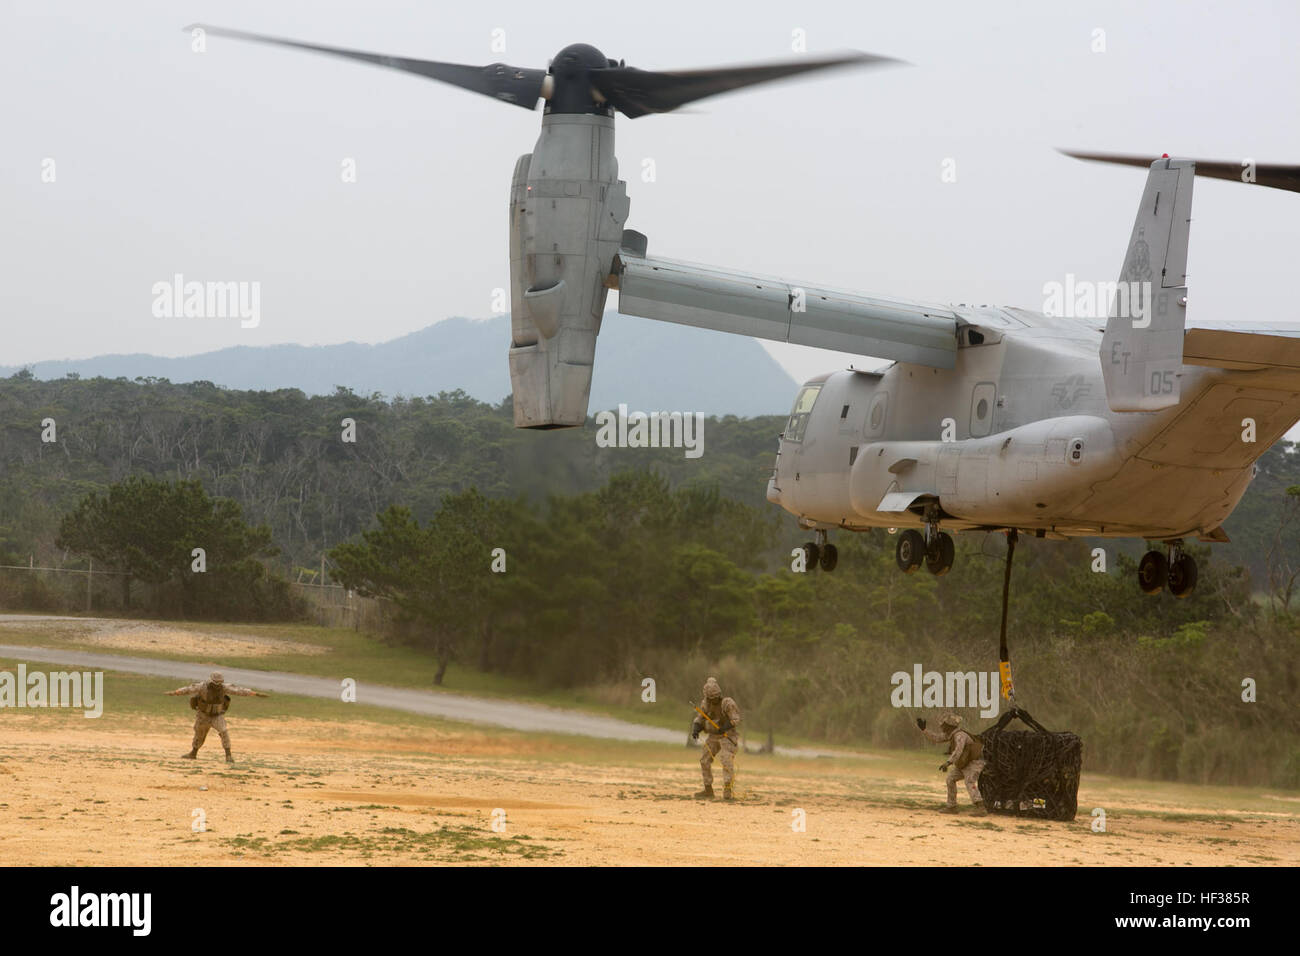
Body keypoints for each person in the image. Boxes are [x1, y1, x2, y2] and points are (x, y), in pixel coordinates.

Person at [165, 671, 267, 763]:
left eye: (219, 683)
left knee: (224, 732)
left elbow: (239, 690)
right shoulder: (202, 687)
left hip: (217, 716)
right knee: (199, 734)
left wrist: (255, 693)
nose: (217, 685)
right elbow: (189, 689)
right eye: (215, 683)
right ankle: (193, 753)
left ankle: (228, 756)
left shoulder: (224, 687)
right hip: (203, 715)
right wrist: (175, 692)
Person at [917, 712, 986, 814]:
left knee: (969, 781)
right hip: (965, 763)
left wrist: (948, 763)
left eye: (943, 725)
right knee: (950, 779)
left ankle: (980, 807)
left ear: (949, 726)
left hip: (974, 762)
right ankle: (952, 806)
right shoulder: (951, 735)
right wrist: (924, 730)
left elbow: (958, 751)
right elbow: (936, 738)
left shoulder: (960, 735)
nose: (941, 726)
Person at [691, 677, 741, 801]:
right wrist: (696, 728)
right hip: (713, 737)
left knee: (726, 759)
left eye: (715, 698)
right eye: (711, 698)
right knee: (704, 760)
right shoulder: (705, 704)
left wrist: (724, 727)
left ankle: (728, 789)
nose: (713, 700)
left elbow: (735, 719)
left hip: (727, 736)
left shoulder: (727, 703)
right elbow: (701, 717)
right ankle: (708, 790)